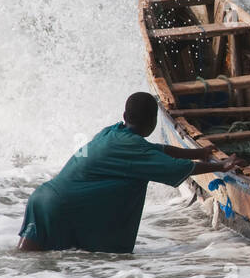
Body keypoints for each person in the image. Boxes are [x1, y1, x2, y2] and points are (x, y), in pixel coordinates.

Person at [17, 92, 238, 253]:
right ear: (152, 123)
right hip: (60, 210)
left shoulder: (112, 133)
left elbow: (156, 151)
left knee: (24, 267)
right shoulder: (134, 149)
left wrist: (197, 152)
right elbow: (176, 168)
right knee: (32, 267)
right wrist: (221, 166)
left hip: (42, 199)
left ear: (124, 115)